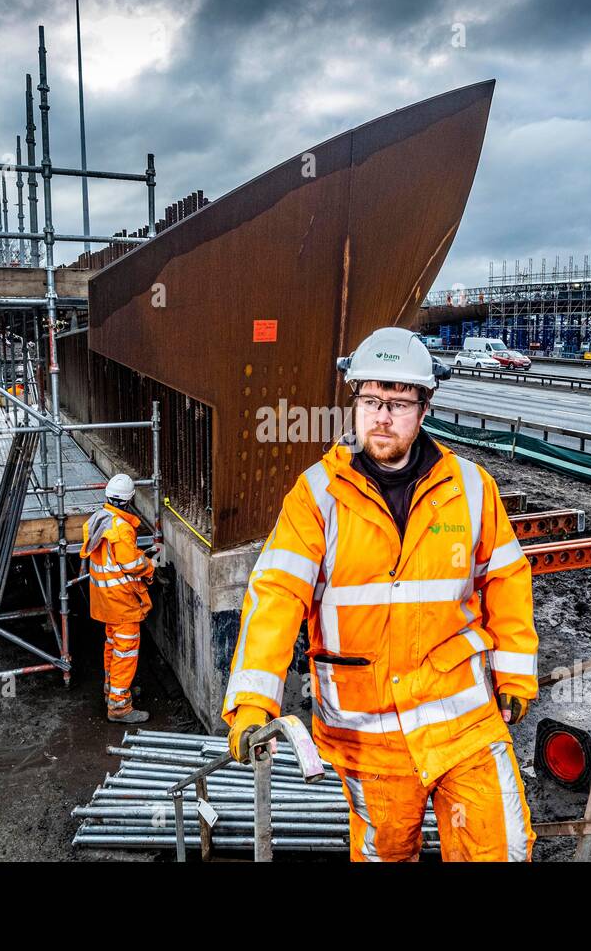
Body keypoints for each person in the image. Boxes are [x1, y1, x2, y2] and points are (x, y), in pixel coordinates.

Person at [222, 327, 538, 861]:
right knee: (385, 854)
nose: (382, 415)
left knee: (500, 848)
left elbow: (506, 579)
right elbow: (276, 594)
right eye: (370, 400)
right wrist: (254, 702)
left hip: (465, 723)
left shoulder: (471, 487)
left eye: (397, 401)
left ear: (425, 405)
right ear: (355, 402)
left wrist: (515, 674)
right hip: (370, 737)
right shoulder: (317, 496)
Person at [78, 473, 155, 723]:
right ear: (129, 500)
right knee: (126, 650)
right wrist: (151, 567)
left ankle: (113, 691)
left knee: (112, 646)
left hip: (105, 600)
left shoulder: (100, 520)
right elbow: (131, 562)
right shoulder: (121, 529)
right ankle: (120, 706)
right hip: (122, 602)